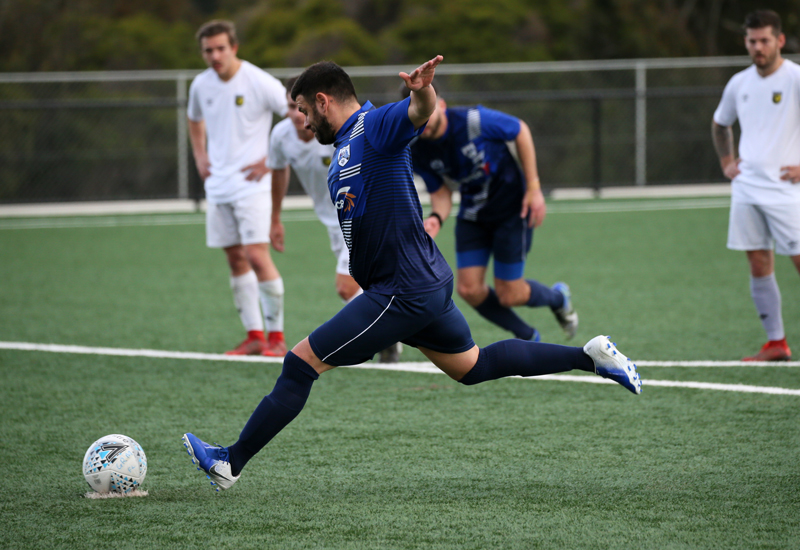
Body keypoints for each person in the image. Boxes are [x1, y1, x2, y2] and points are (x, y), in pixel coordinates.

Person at [182, 56, 642, 492]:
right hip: (420, 284)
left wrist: (422, 92)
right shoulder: (345, 146)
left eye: (304, 110)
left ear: (323, 101)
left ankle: (230, 463)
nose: (302, 121)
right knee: (474, 367)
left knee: (300, 365)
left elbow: (419, 111)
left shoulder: (372, 126)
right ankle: (590, 358)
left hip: (401, 291)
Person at [404, 88, 577, 343]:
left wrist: (533, 187)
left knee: (510, 294)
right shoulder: (417, 148)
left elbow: (520, 130)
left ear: (441, 104)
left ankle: (558, 298)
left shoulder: (474, 120)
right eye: (416, 113)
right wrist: (436, 218)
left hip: (512, 210)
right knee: (469, 289)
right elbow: (441, 193)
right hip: (473, 215)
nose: (422, 119)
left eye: (426, 109)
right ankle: (527, 336)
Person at [268, 77, 404, 363]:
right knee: (361, 287)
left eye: (300, 107)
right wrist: (275, 217)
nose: (297, 115)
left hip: (358, 214)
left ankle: (390, 331)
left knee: (347, 286)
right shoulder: (280, 136)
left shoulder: (333, 132)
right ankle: (390, 333)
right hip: (332, 222)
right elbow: (278, 171)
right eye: (290, 108)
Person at [187, 20, 288, 357]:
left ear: (234, 48)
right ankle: (254, 336)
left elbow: (294, 112)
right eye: (208, 50)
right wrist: (200, 155)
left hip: (253, 186)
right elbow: (194, 118)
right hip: (218, 186)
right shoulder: (200, 85)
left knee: (257, 256)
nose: (215, 56)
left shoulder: (259, 81)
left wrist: (270, 159)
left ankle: (277, 338)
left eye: (220, 48)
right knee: (235, 259)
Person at [712, 10, 800, 362]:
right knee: (758, 263)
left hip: (787, 190)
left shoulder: (795, 78)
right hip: (747, 188)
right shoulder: (739, 83)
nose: (758, 47)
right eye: (752, 41)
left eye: (765, 40)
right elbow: (720, 124)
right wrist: (727, 162)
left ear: (780, 40)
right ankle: (776, 343)